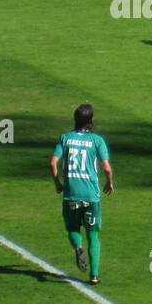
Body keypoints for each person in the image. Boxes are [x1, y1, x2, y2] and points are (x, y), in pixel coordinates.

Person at [49, 104, 113, 286]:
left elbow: (53, 163)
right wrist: (109, 183)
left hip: (71, 194)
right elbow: (107, 168)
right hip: (91, 195)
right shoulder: (97, 140)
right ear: (91, 120)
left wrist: (58, 184)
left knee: (73, 229)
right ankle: (94, 275)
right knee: (93, 235)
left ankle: (78, 247)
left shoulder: (65, 138)